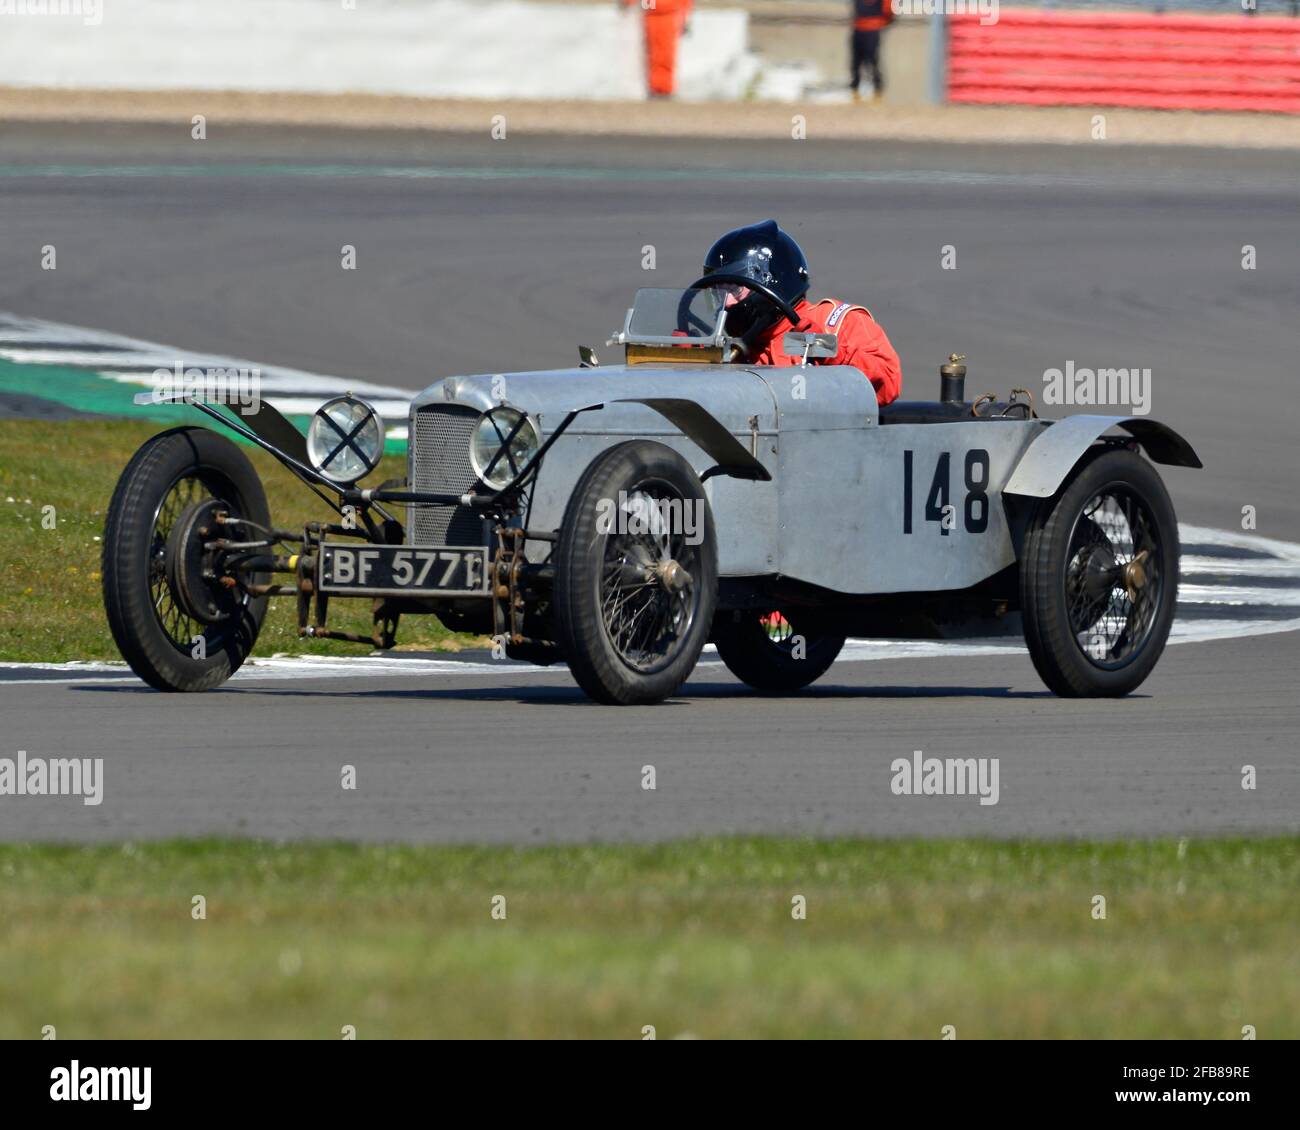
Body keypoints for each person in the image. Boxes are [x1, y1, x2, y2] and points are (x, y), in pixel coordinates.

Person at [692, 219, 902, 406]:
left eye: (735, 289)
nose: (726, 302)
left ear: (771, 280)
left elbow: (888, 385)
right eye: (718, 292)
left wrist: (831, 353)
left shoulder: (836, 323)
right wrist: (683, 359)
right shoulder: (724, 344)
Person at [623, 0, 694, 99]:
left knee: (667, 55)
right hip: (651, 14)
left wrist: (685, 18)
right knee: (651, 54)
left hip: (670, 14)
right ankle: (654, 88)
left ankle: (666, 89)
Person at [850, 0, 893, 104]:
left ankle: (877, 92)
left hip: (873, 29)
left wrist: (880, 22)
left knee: (872, 61)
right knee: (856, 62)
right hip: (858, 28)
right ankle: (855, 92)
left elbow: (889, 10)